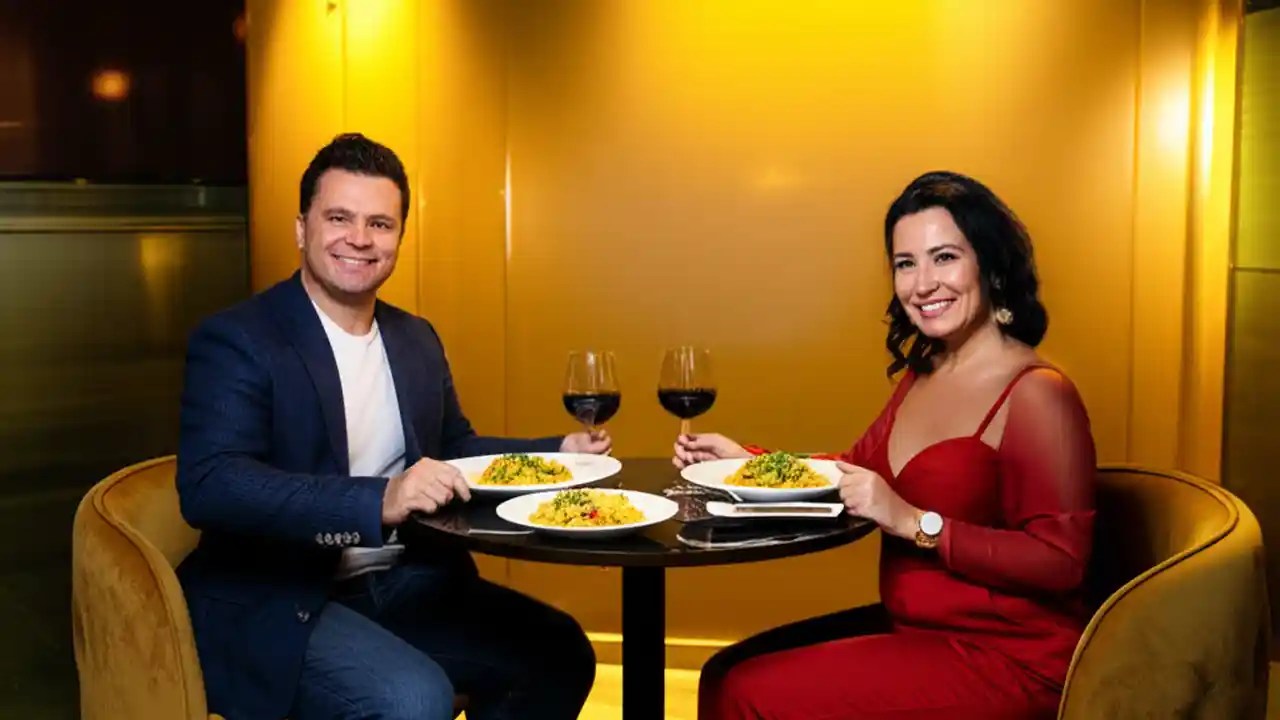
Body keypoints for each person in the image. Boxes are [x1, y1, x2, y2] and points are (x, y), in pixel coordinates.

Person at [175, 132, 608, 720]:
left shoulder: (414, 338)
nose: (359, 238)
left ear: (400, 237)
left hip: (404, 583)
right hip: (283, 599)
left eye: (380, 223)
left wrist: (557, 453)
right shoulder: (239, 338)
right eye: (339, 217)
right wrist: (378, 499)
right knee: (413, 699)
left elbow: (455, 451)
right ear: (302, 229)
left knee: (560, 652)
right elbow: (212, 485)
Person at [676, 171, 1097, 719]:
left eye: (944, 257)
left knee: (746, 692)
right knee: (722, 674)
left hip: (1008, 659)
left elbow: (1062, 562)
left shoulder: (1040, 394)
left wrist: (915, 523)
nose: (922, 284)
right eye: (905, 264)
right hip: (917, 631)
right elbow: (854, 470)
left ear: (990, 266)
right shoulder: (925, 374)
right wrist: (748, 462)